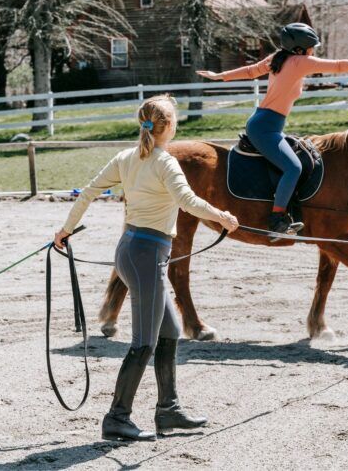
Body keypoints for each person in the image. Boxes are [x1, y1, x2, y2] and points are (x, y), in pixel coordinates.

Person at [54, 94, 239, 441]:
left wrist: (65, 229)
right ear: (167, 126)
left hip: (132, 251)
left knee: (168, 331)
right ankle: (117, 418)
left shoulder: (126, 158)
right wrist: (223, 217)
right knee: (143, 342)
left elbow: (88, 192)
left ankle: (168, 410)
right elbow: (188, 201)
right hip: (146, 255)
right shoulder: (164, 162)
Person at [198, 23, 348, 236]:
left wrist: (220, 75)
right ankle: (276, 219)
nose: (314, 51)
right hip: (265, 128)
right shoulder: (300, 62)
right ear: (301, 49)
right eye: (312, 47)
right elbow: (339, 65)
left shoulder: (279, 58)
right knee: (293, 168)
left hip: (265, 123)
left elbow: (250, 71)